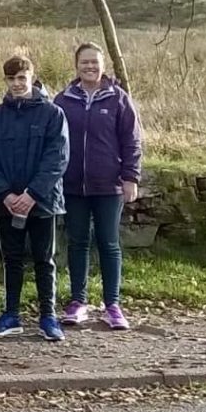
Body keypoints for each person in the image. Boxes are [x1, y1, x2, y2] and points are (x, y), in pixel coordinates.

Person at [0, 56, 70, 342]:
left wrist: (32, 194)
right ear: (5, 81)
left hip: (42, 203)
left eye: (22, 78)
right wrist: (5, 194)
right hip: (7, 203)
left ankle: (48, 316)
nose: (17, 84)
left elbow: (57, 158)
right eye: (11, 79)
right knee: (12, 260)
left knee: (45, 260)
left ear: (32, 77)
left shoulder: (53, 114)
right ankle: (11, 315)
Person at [55, 43, 143, 330]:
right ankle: (78, 302)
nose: (90, 67)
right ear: (76, 65)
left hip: (109, 185)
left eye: (94, 62)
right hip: (73, 186)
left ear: (103, 66)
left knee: (108, 243)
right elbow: (54, 142)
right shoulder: (63, 100)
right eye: (84, 62)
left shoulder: (118, 99)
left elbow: (132, 141)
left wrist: (131, 177)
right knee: (78, 242)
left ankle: (112, 305)